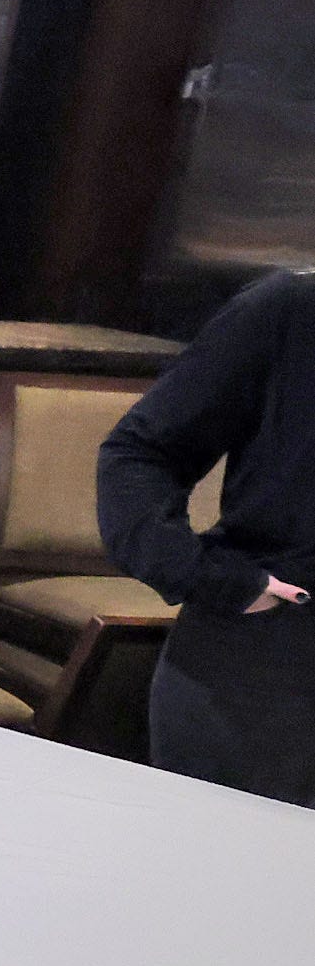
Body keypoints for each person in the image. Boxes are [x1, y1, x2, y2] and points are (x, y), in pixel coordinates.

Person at [99, 267, 315, 806]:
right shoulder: (292, 309)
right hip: (268, 667)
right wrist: (205, 575)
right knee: (233, 883)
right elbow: (141, 454)